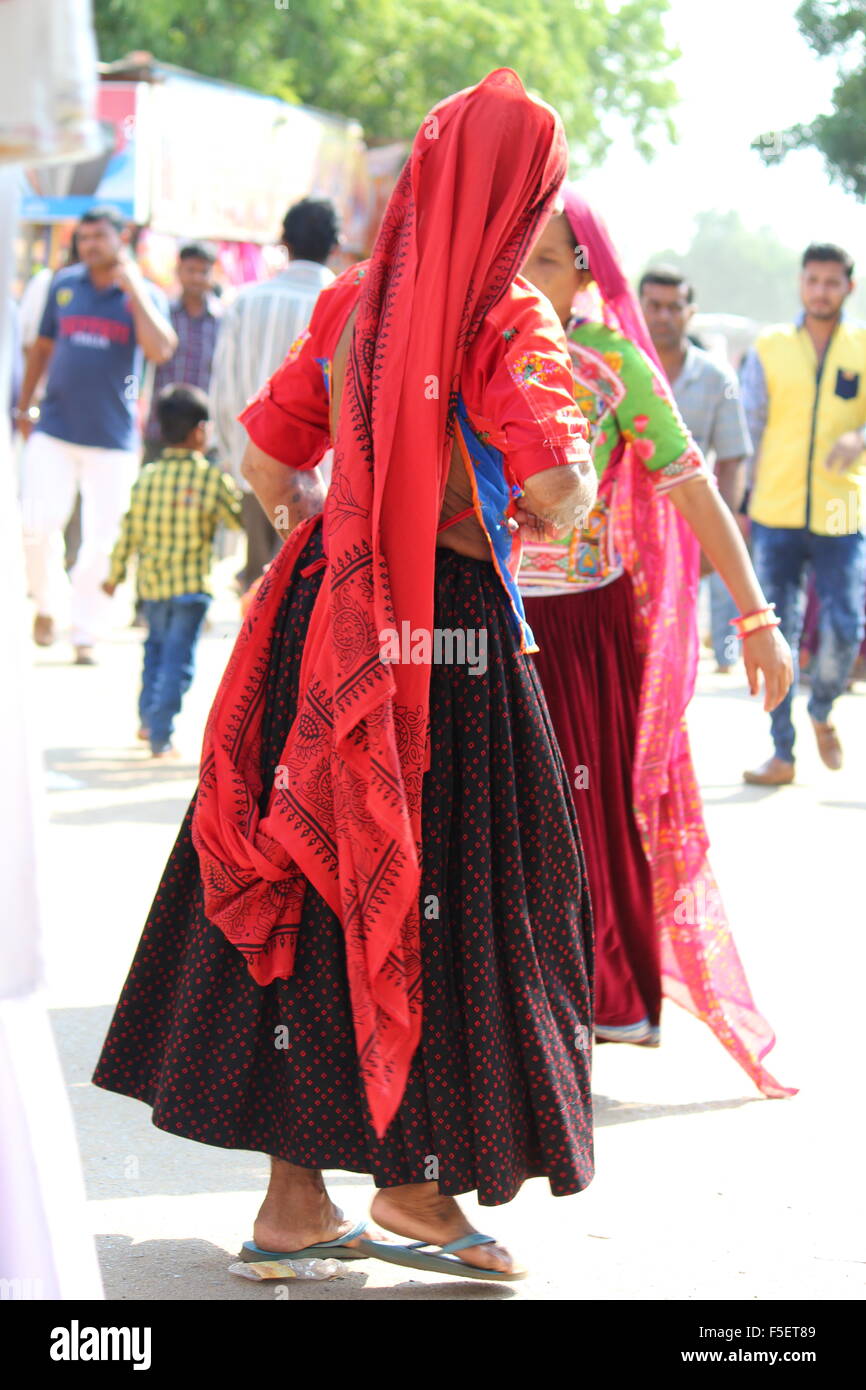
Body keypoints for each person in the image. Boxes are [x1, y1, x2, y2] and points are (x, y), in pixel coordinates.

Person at [518, 189, 795, 1096]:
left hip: (580, 628)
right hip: (479, 620)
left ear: (588, 276)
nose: (525, 273)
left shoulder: (610, 367)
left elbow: (692, 485)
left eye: (548, 260)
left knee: (582, 818)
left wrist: (756, 620)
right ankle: (487, 1009)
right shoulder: (473, 350)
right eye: (517, 253)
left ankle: (585, 1005)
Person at [16, 205, 176, 664]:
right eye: (83, 239)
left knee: (102, 542)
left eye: (98, 238)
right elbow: (42, 346)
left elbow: (161, 350)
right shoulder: (64, 285)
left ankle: (85, 631)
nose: (89, 246)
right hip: (56, 427)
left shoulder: (145, 294)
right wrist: (26, 404)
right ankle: (48, 606)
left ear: (120, 239)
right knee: (36, 525)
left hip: (114, 438)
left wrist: (136, 293)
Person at [739, 243, 866, 784]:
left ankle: (821, 709)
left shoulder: (862, 345)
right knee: (776, 632)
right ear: (800, 283)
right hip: (775, 509)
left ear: (848, 288)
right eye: (812, 280)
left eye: (831, 282)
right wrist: (742, 506)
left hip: (840, 508)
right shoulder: (769, 345)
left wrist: (860, 437)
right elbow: (749, 426)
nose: (821, 291)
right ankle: (782, 751)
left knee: (844, 624)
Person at [102, 385, 242, 759]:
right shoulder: (210, 479)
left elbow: (128, 530)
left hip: (152, 587)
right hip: (191, 589)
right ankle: (161, 735)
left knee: (155, 654)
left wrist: (114, 575)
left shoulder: (146, 477)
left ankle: (148, 721)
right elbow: (236, 518)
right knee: (178, 664)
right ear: (200, 431)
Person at [211, 197, 338, 590]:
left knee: (259, 591)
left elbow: (224, 392)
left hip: (257, 472)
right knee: (308, 586)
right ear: (335, 245)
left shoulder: (246, 303)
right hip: (329, 487)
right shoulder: (350, 304)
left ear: (284, 242)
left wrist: (234, 460)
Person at [639, 266, 752, 673]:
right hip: (618, 534)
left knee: (674, 654)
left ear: (691, 313)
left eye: (674, 307)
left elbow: (733, 457)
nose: (663, 316)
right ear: (639, 307)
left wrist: (718, 533)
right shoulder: (616, 367)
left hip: (686, 529)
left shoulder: (716, 378)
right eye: (654, 306)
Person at [142, 242, 222, 464]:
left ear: (212, 274)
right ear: (178, 271)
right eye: (190, 270)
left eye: (203, 271)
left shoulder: (224, 321)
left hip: (204, 435)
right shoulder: (161, 315)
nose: (196, 277)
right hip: (161, 431)